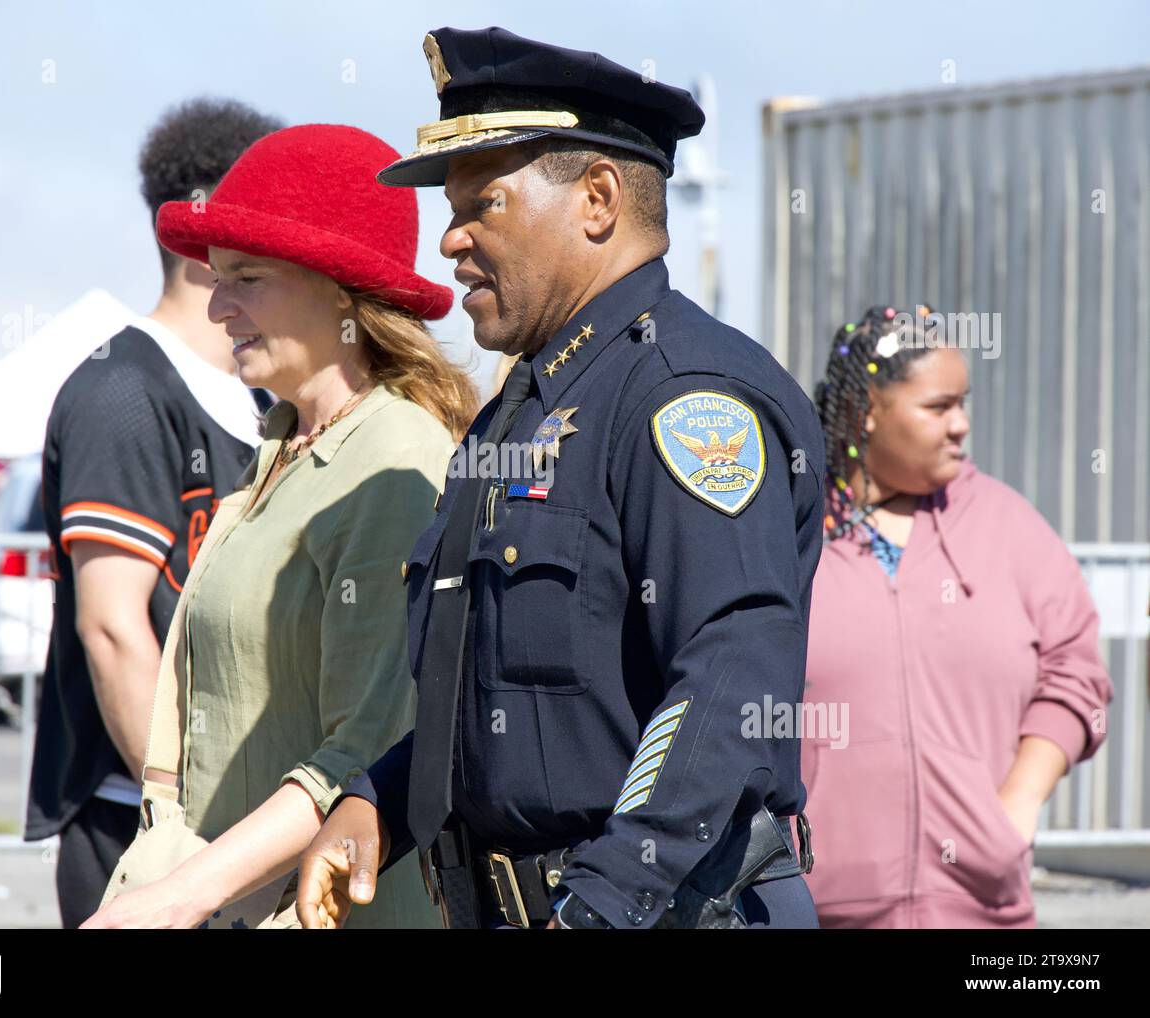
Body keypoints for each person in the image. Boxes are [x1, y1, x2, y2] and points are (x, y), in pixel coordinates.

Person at [297, 26, 826, 930]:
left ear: (597, 198)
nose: (450, 241)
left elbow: (734, 674)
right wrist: (377, 805)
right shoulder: (528, 404)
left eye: (483, 205)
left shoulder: (683, 397)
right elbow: (529, 706)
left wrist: (604, 900)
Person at [83, 123, 476, 929]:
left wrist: (175, 901)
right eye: (217, 278)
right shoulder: (286, 442)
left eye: (247, 279)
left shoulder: (394, 459)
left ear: (340, 290)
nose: (219, 305)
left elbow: (363, 749)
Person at [25, 98, 281, 929]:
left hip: (236, 829)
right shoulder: (123, 390)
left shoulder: (261, 400)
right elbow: (112, 630)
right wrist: (183, 834)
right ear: (206, 231)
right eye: (267, 223)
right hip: (142, 827)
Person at [801, 304, 1114, 928]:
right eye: (938, 407)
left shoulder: (1007, 527)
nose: (961, 425)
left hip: (983, 915)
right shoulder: (791, 533)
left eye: (962, 403)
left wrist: (1015, 809)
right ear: (867, 411)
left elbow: (1076, 670)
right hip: (818, 913)